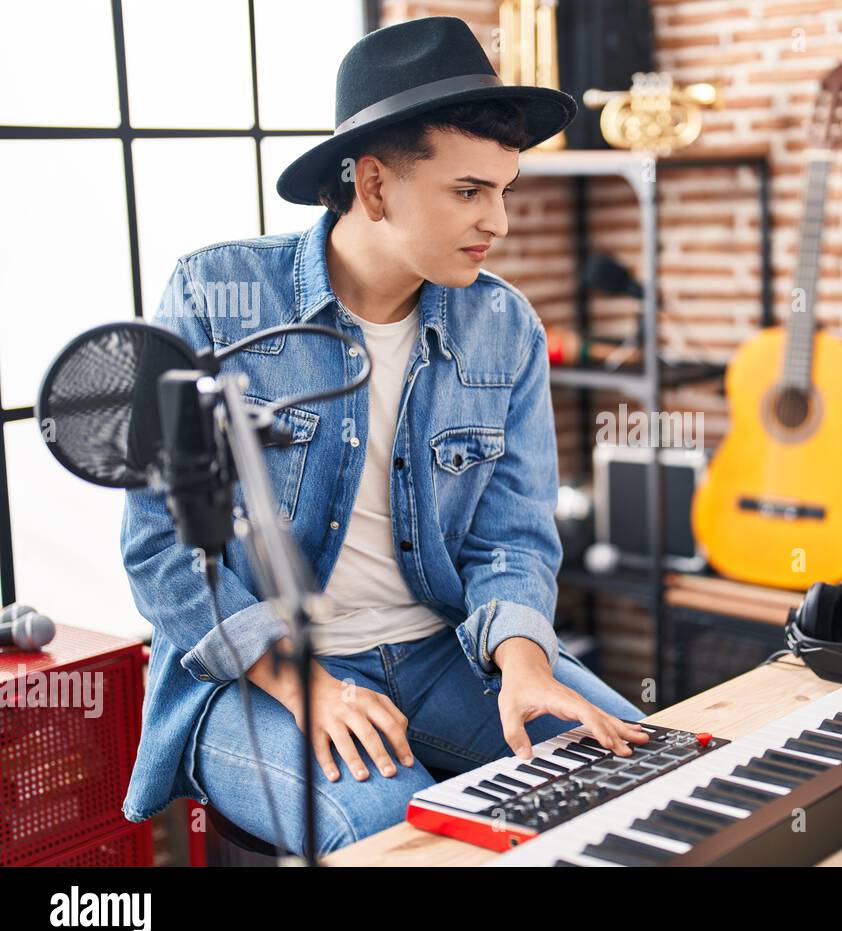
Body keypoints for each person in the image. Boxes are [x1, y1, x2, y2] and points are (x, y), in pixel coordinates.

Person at [120, 16, 649, 858]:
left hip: (444, 656)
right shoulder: (218, 293)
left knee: (639, 783)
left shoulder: (502, 324)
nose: (500, 223)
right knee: (404, 841)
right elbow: (161, 549)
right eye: (470, 192)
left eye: (506, 190)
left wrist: (521, 661)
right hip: (258, 681)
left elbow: (513, 537)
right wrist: (306, 684)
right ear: (372, 186)